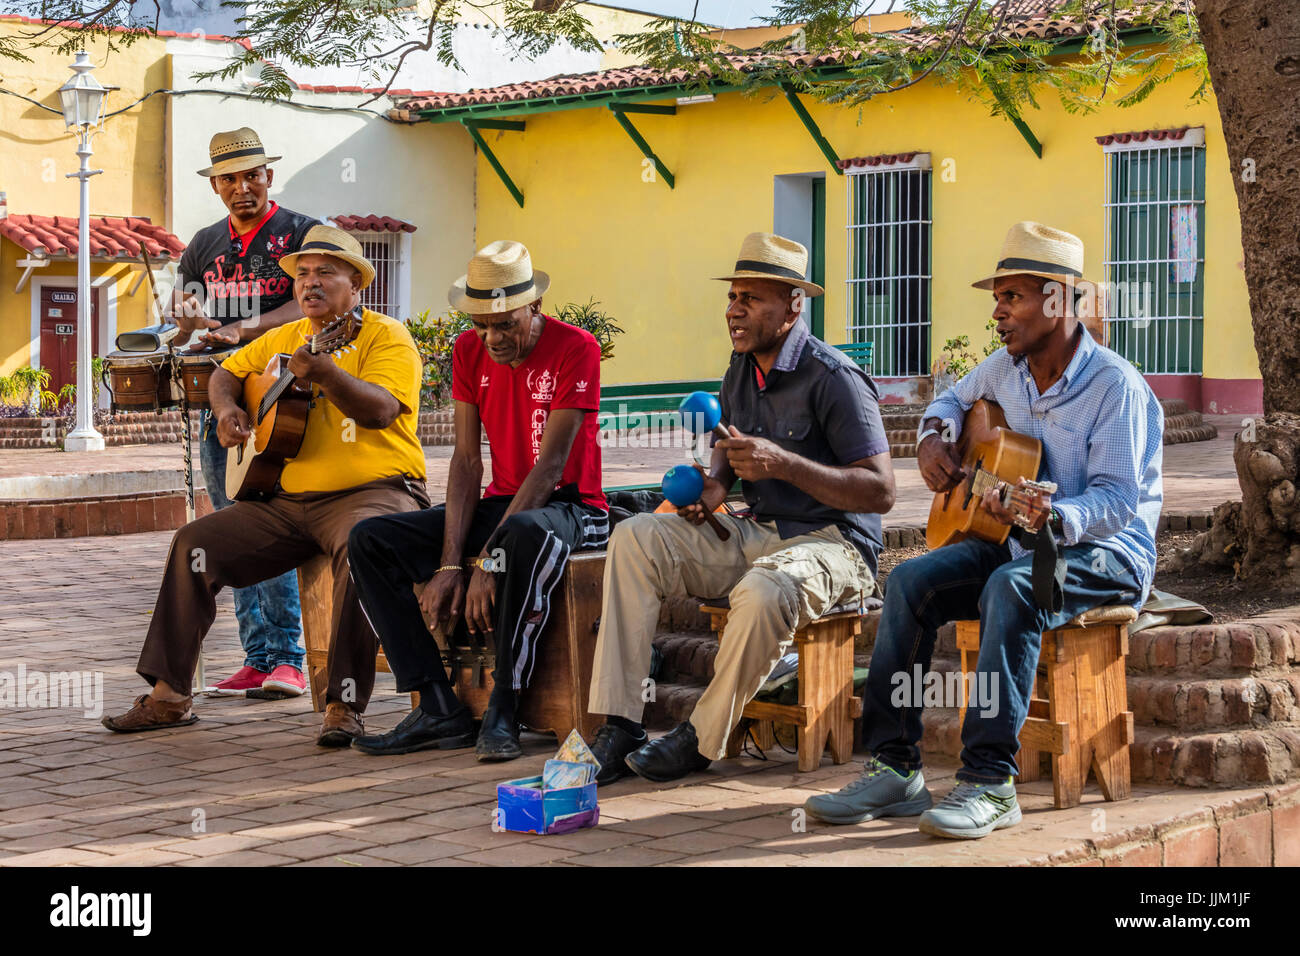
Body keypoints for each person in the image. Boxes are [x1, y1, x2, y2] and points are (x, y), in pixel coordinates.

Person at [806, 221, 1164, 839]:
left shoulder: (1115, 386)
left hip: (1107, 553)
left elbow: (1118, 502)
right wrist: (930, 443)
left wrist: (1054, 513)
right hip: (1017, 543)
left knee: (1013, 589)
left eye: (1012, 297)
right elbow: (945, 405)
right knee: (910, 581)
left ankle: (990, 782)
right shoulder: (1003, 369)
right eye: (996, 298)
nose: (998, 313)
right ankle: (895, 769)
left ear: (1057, 299)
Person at [584, 232, 895, 786]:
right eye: (732, 297)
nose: (734, 310)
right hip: (763, 534)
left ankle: (702, 737)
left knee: (764, 589)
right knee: (634, 537)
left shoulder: (836, 379)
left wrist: (785, 465)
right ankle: (622, 721)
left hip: (836, 545)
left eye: (750, 298)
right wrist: (712, 490)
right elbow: (727, 460)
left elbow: (881, 492)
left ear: (793, 304)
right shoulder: (739, 370)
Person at [103, 227, 428, 747]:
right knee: (194, 545)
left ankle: (343, 703)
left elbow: (381, 410)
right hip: (287, 502)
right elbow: (224, 373)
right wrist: (229, 409)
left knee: (365, 545)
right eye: (302, 274)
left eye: (325, 273)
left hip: (374, 491)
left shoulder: (386, 336)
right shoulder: (286, 335)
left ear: (355, 283)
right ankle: (169, 696)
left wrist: (326, 374)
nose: (310, 284)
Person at [348, 240, 608, 761]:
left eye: (505, 324)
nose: (492, 338)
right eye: (480, 324)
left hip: (573, 505)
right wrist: (450, 563)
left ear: (534, 307)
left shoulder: (577, 347)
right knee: (371, 539)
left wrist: (489, 559)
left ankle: (505, 708)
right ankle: (438, 706)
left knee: (524, 535)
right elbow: (467, 463)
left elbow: (552, 467)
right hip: (507, 502)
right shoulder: (468, 353)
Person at [172, 127, 318, 698]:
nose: (241, 187)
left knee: (269, 519)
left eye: (250, 175)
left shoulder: (302, 234)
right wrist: (185, 320)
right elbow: (185, 316)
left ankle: (289, 657)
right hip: (223, 397)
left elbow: (312, 300)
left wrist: (245, 328)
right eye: (228, 178)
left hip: (287, 399)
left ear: (268, 177)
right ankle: (259, 657)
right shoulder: (204, 244)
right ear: (215, 185)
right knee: (233, 519)